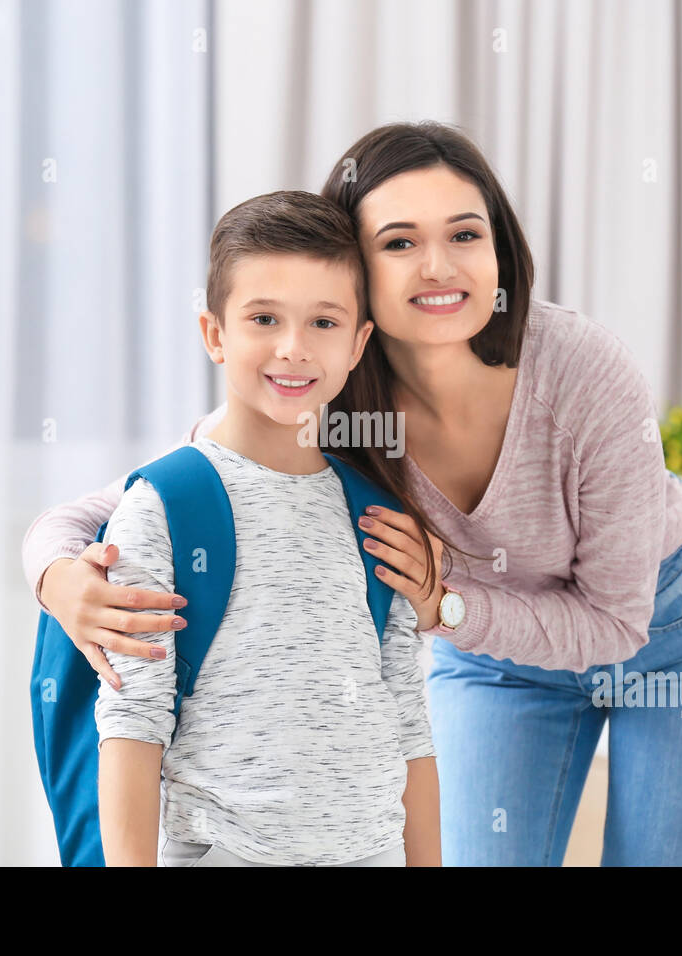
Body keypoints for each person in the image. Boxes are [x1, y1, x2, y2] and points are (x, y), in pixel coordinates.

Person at [25, 121, 682, 866]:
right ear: (356, 273)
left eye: (464, 235)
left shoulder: (581, 371)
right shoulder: (338, 394)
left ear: (499, 251)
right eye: (399, 243)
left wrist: (443, 606)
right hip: (496, 658)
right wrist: (56, 576)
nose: (438, 267)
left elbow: (614, 624)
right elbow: (158, 491)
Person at [93, 189, 440, 867]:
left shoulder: (377, 514)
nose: (292, 348)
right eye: (263, 318)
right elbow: (133, 725)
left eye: (323, 322)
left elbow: (408, 723)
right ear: (215, 334)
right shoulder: (165, 504)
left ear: (358, 342)